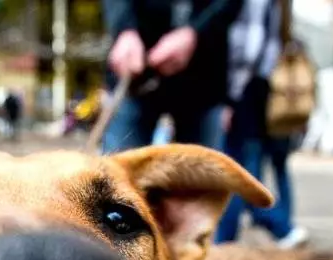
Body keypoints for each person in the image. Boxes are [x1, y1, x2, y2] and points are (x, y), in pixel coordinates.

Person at [213, 0, 308, 247]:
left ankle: (278, 227)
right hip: (260, 97)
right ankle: (274, 227)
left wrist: (230, 98)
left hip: (243, 94)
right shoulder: (281, 7)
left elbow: (248, 47)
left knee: (234, 172)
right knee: (248, 168)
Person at [100, 0, 244, 152]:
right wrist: (124, 29)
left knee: (203, 172)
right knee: (116, 169)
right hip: (133, 76)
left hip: (204, 77)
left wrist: (196, 31)